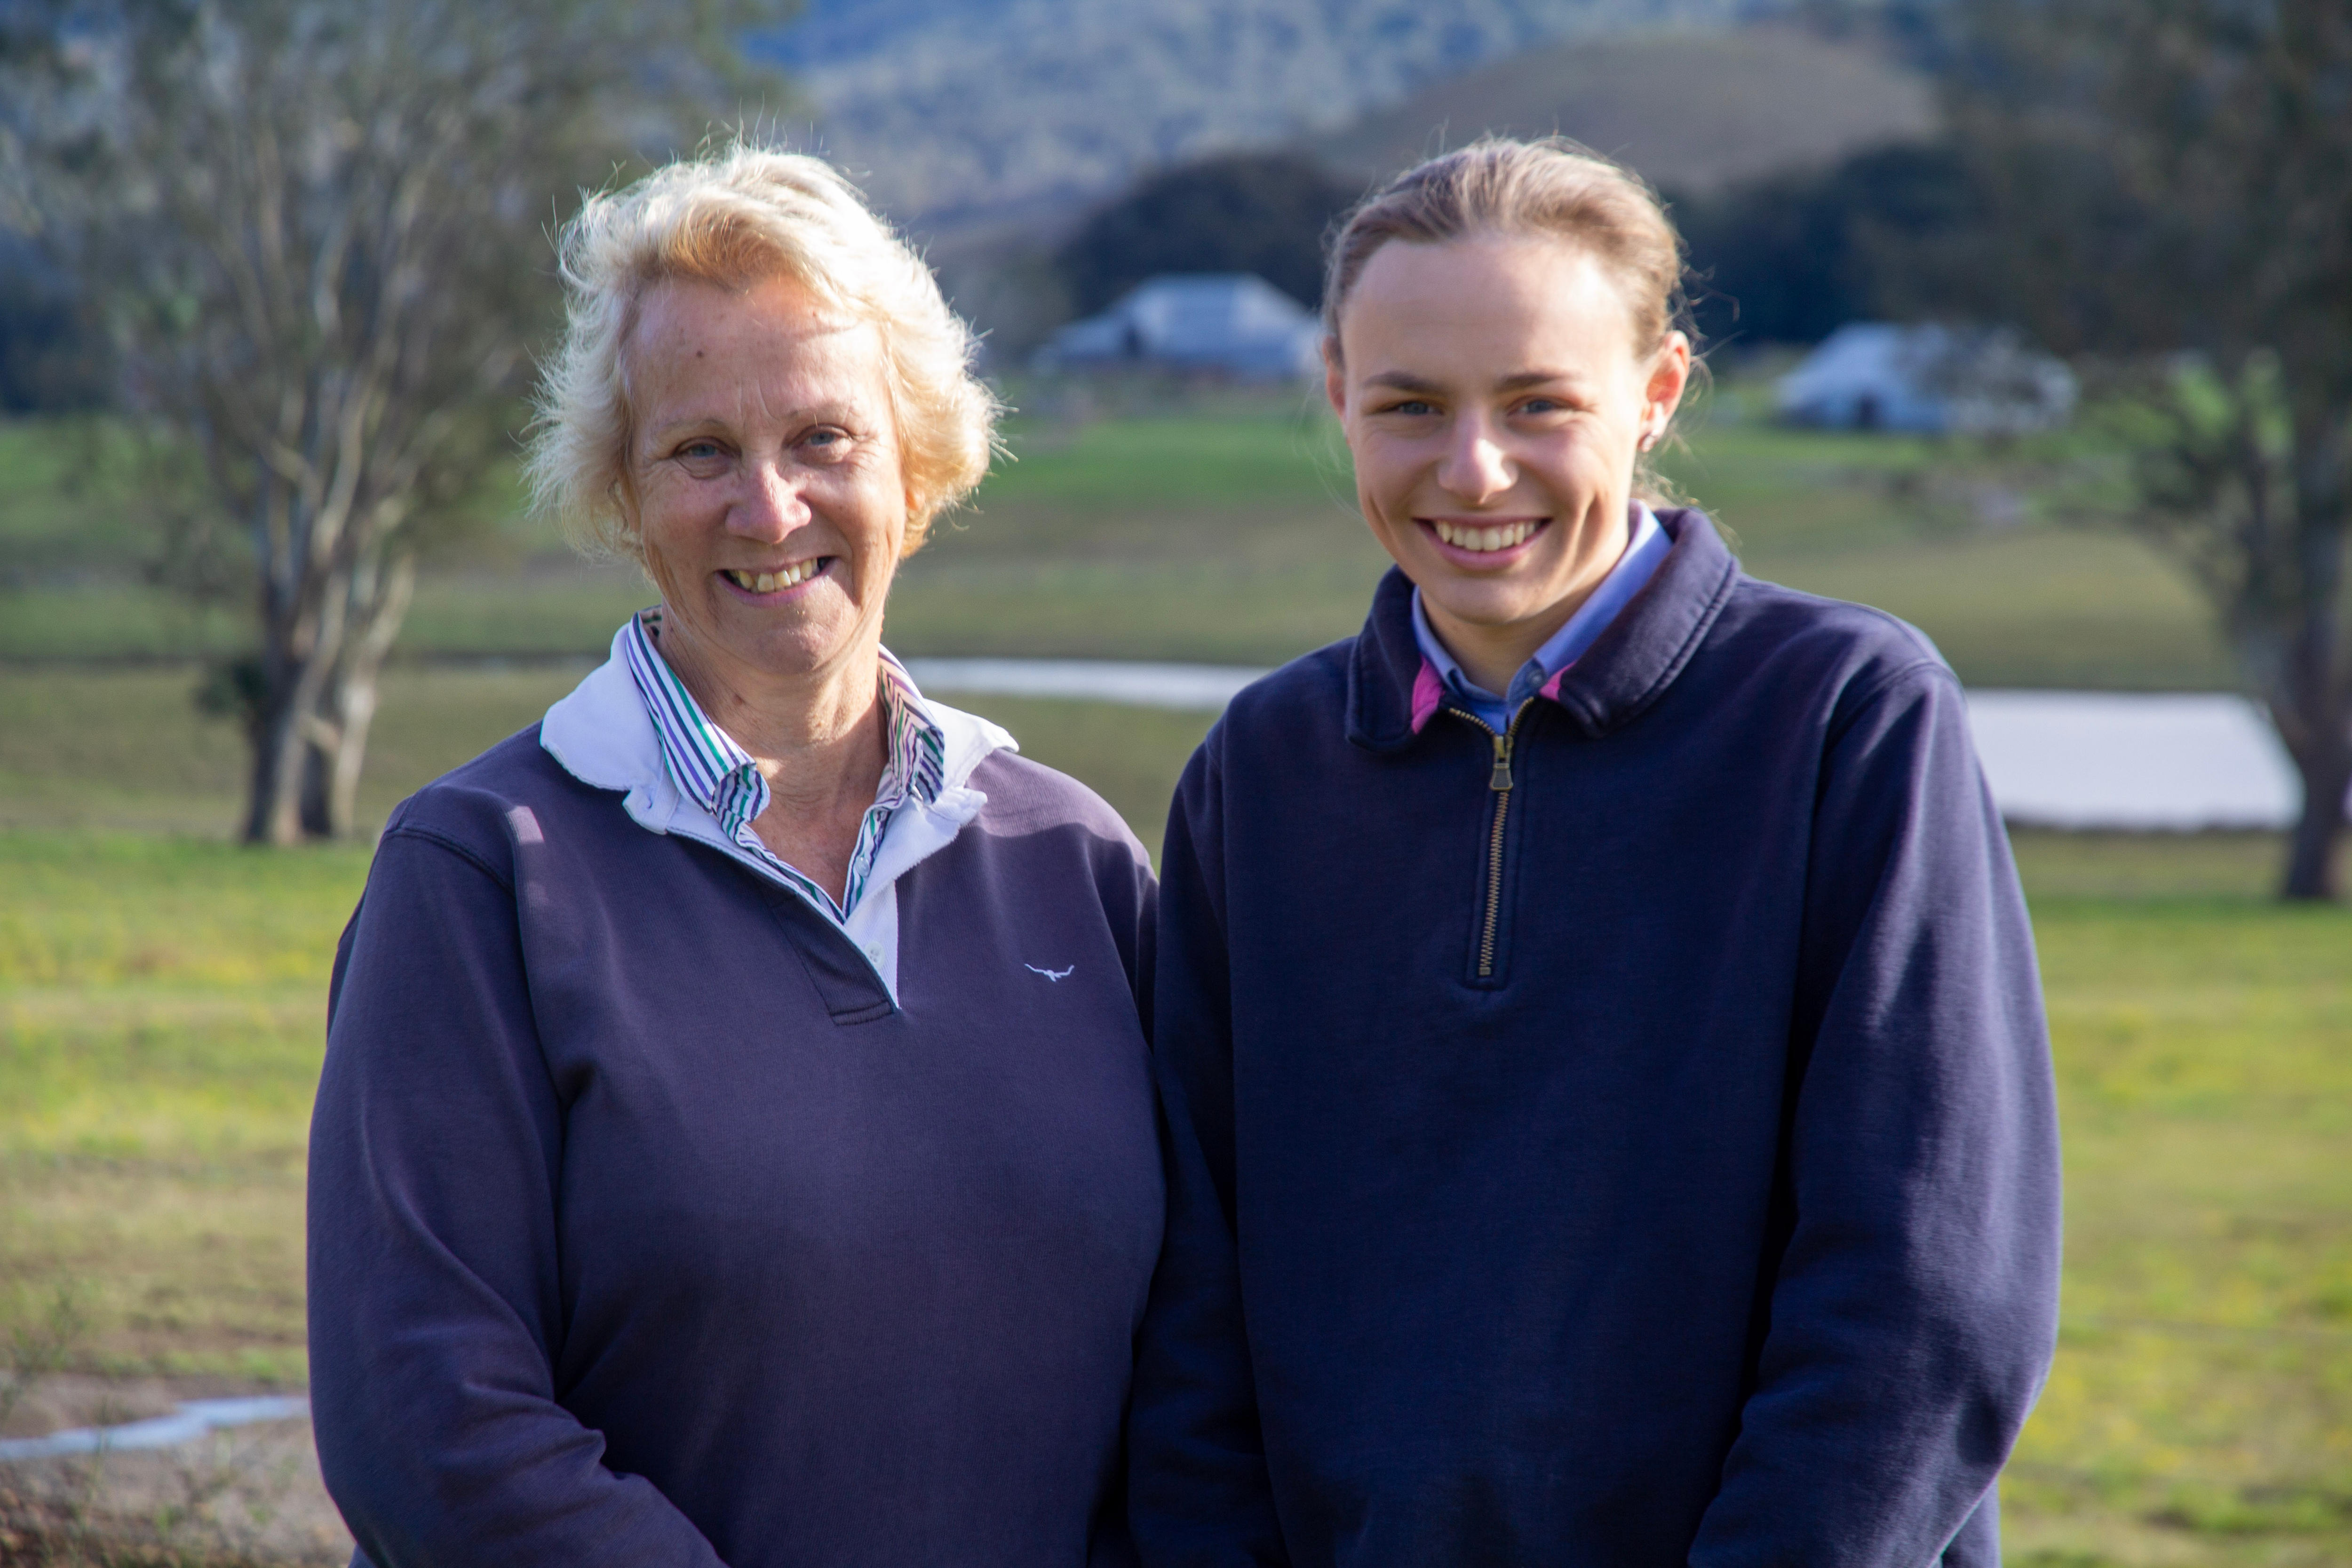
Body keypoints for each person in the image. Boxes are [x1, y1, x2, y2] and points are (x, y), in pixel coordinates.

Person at [1128, 138, 2061, 1567]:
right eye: (1410, 406)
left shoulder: (1845, 718)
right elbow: (1192, 1310)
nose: (1473, 466)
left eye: (1538, 405)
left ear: (1657, 394)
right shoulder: (1259, 775)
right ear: (1337, 400)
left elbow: (1928, 1298)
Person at [306, 145, 1163, 1568]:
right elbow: (429, 1425)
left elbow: (1192, 1365)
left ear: (921, 467)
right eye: (701, 450)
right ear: (625, 495)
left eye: (825, 438)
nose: (769, 511)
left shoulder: (1074, 857)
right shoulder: (483, 878)